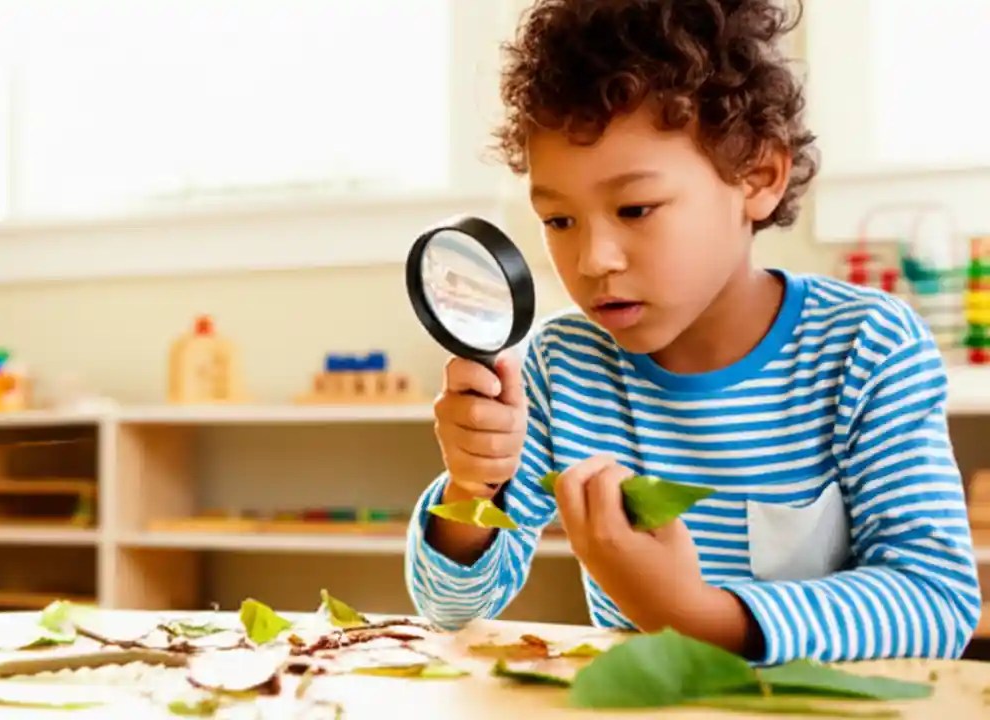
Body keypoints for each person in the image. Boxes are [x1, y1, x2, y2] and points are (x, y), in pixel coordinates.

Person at [404, 0, 981, 665]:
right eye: (560, 221)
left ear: (758, 177)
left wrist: (693, 616)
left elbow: (936, 602)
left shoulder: (868, 348)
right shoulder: (561, 368)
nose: (594, 261)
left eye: (635, 208)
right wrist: (468, 486)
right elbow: (451, 608)